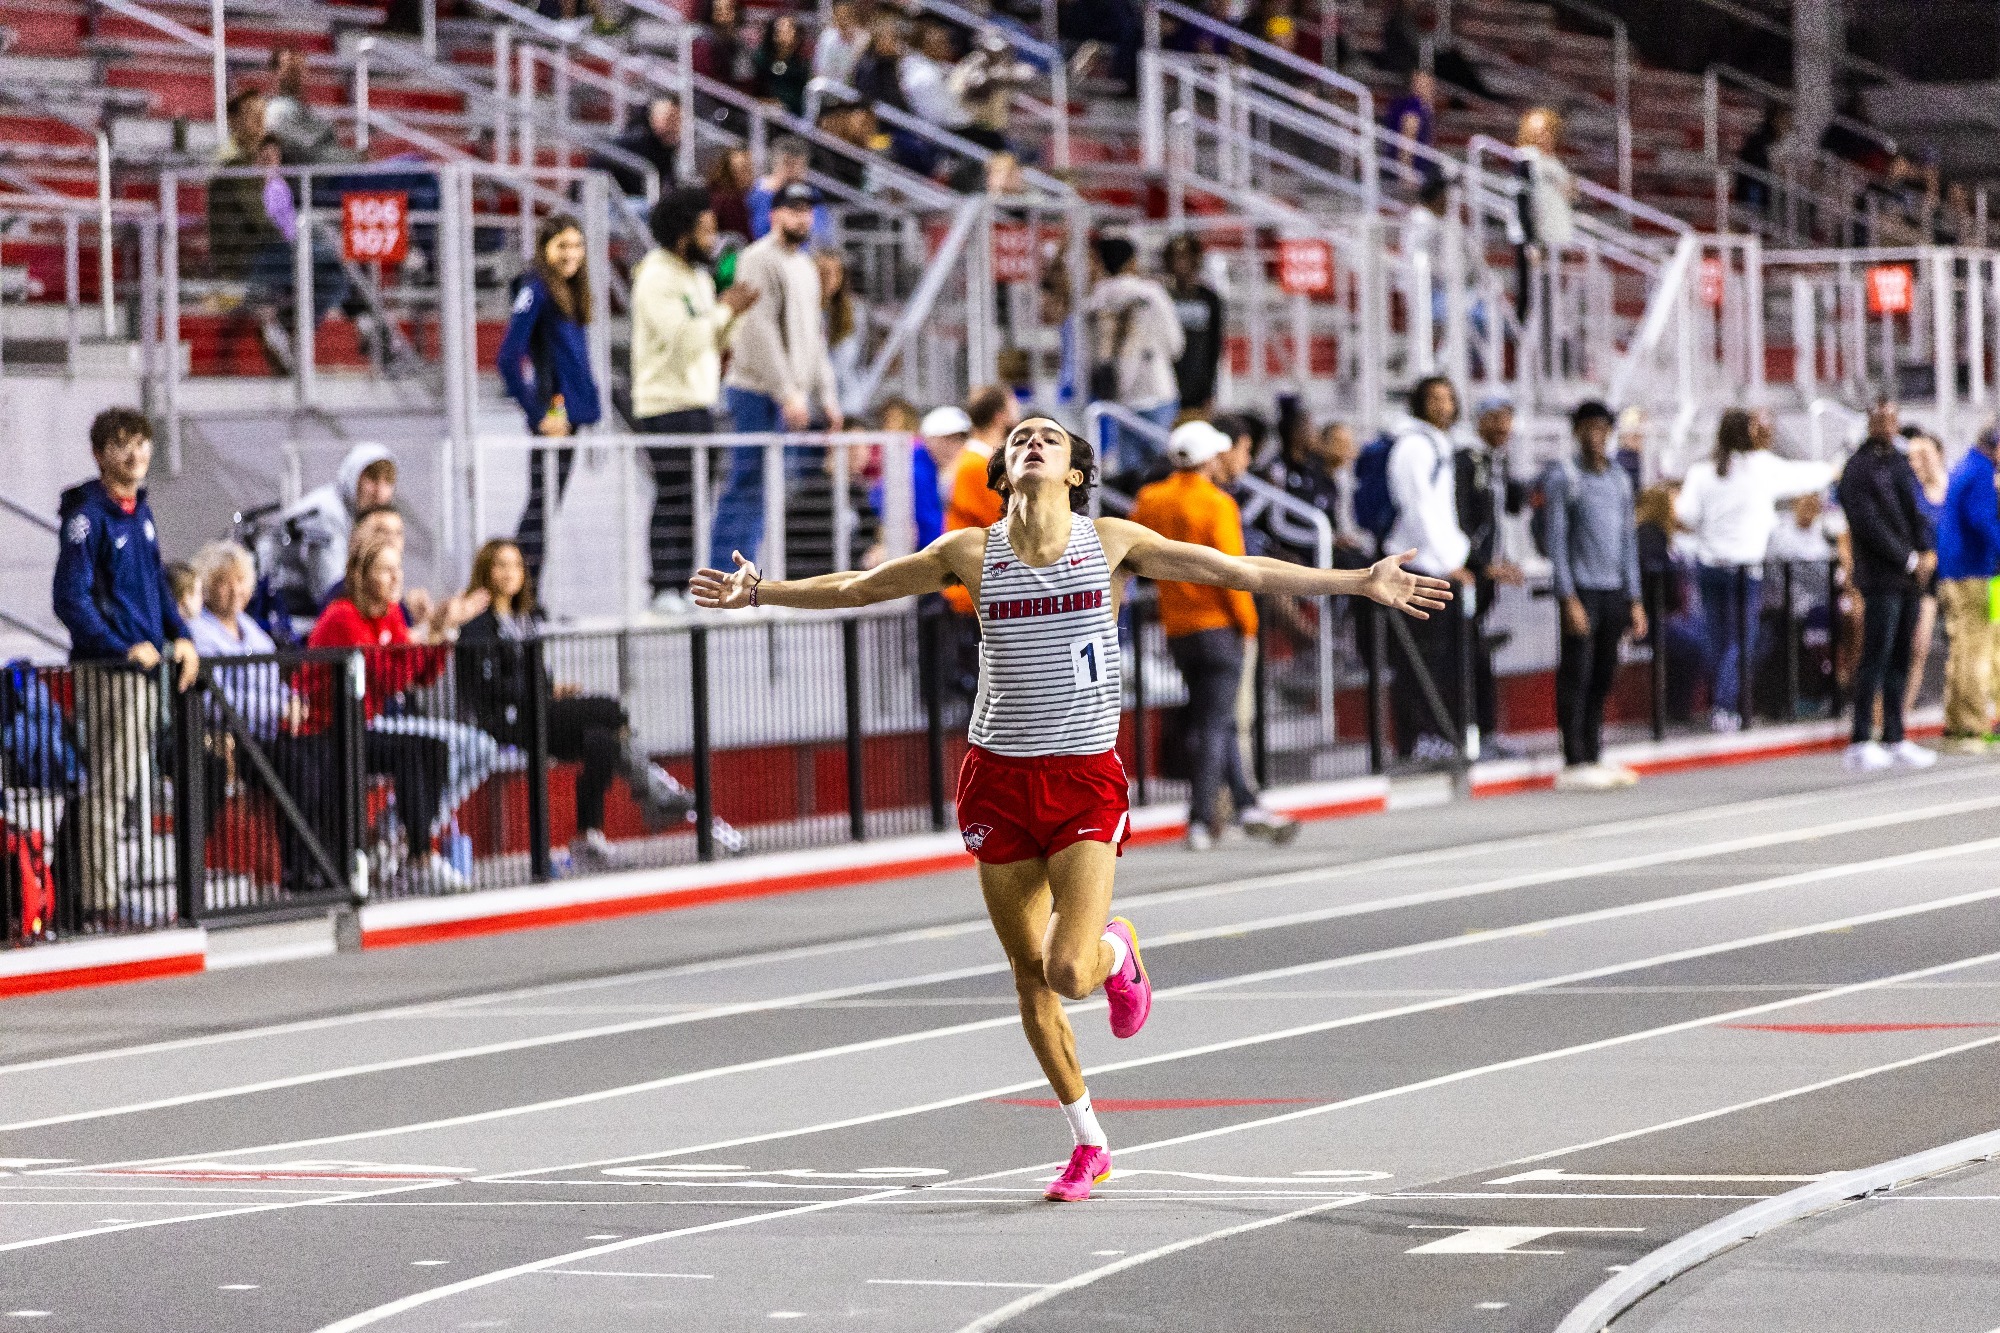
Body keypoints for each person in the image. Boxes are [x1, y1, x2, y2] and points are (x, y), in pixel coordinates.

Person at [689, 415, 1450, 1202]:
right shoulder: (969, 553)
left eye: (1046, 437)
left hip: (1084, 779)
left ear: (1076, 472)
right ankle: (1089, 1141)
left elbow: (1239, 572)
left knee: (1070, 969)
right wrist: (759, 593)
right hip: (997, 778)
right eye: (1018, 437)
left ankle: (1118, 953)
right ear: (1003, 467)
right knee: (1030, 977)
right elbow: (856, 588)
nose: (1029, 442)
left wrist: (1360, 581)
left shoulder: (1111, 541)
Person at [456, 539, 696, 870]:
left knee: (603, 741)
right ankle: (651, 794)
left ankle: (588, 839)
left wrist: (552, 689)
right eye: (500, 565)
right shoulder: (477, 625)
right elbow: (488, 685)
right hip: (507, 721)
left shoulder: (527, 618)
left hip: (538, 710)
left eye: (515, 565)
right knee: (608, 710)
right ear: (486, 571)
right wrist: (538, 691)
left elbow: (536, 677)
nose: (509, 573)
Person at [52, 408, 200, 928]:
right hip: (109, 671)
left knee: (128, 784)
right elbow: (70, 600)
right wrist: (120, 648)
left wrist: (183, 637)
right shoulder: (87, 516)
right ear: (99, 454)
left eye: (142, 443)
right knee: (112, 785)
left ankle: (105, 893)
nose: (135, 454)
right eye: (121, 445)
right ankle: (98, 902)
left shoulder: (140, 511)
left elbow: (157, 588)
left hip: (143, 669)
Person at [1133, 420, 1300, 850]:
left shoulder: (1150, 499)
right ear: (1210, 457)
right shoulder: (1216, 503)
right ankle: (1201, 819)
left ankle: (1245, 802)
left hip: (1178, 627)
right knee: (1214, 723)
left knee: (1215, 720)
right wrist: (1248, 625)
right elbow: (1234, 573)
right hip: (1219, 627)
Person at [307, 533, 487, 890]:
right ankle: (418, 856)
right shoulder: (343, 617)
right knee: (411, 751)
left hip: (364, 724)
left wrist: (443, 636)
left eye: (398, 569)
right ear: (362, 575)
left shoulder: (390, 614)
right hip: (326, 730)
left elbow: (420, 676)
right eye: (385, 570)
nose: (396, 578)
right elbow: (387, 678)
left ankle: (410, 846)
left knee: (434, 748)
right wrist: (426, 635)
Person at [630, 187, 760, 614]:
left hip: (700, 402)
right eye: (705, 231)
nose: (713, 239)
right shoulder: (655, 276)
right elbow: (685, 340)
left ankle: (683, 581)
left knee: (696, 495)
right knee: (675, 493)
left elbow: (713, 339)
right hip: (664, 405)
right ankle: (660, 585)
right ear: (683, 233)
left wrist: (733, 314)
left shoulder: (699, 278)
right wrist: (724, 310)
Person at [1674, 408, 1833, 732]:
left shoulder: (1701, 472)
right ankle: (1724, 705)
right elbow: (1805, 476)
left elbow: (1686, 516)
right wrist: (1834, 468)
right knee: (1742, 642)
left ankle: (1723, 703)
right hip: (1745, 569)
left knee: (1718, 641)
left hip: (1709, 567)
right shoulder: (1761, 468)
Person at [711, 182, 843, 569]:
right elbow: (758, 330)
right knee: (746, 486)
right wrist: (788, 393)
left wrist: (828, 397)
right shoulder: (756, 259)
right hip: (755, 391)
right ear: (774, 214)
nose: (802, 216)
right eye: (793, 208)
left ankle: (742, 575)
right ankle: (722, 575)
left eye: (807, 209)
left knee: (762, 491)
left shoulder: (804, 264)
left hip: (787, 395)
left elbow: (813, 338)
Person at [188, 540, 330, 895]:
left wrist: (292, 700)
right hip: (226, 738)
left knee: (314, 769)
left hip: (265, 735)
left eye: (241, 581)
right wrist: (274, 707)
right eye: (224, 581)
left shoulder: (254, 630)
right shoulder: (198, 632)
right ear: (208, 585)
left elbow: (272, 682)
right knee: (296, 775)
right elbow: (216, 699)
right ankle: (293, 872)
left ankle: (310, 867)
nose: (234, 590)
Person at [1543, 401, 1645, 790]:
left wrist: (1635, 599)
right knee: (1576, 673)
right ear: (1577, 433)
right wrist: (1567, 597)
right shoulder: (1565, 477)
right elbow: (1557, 542)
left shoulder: (1619, 479)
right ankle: (1574, 757)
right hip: (1582, 590)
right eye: (1588, 428)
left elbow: (1627, 543)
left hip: (1613, 589)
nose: (1595, 436)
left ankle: (1595, 752)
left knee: (1604, 674)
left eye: (1602, 429)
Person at [500, 213, 602, 587]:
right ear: (545, 248)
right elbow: (508, 359)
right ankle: (519, 596)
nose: (571, 254)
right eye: (562, 246)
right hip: (555, 416)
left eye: (577, 245)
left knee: (543, 510)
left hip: (569, 416)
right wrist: (539, 413)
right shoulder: (537, 290)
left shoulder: (569, 292)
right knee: (539, 511)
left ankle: (528, 597)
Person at [1836, 401, 1936, 770]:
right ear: (1870, 422)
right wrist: (1907, 557)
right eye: (1882, 420)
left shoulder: (1898, 463)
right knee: (1874, 656)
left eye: (1893, 420)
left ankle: (1895, 733)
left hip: (1908, 576)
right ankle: (1861, 736)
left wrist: (1925, 551)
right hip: (1881, 576)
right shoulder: (1858, 468)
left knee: (1900, 656)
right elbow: (1868, 524)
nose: (1888, 426)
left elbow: (1916, 510)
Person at [1387, 375, 1471, 761]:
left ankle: (1436, 733)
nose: (1442, 405)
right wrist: (1446, 560)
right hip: (1417, 566)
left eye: (1448, 397)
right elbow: (1418, 507)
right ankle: (1417, 737)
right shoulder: (1414, 448)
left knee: (1440, 658)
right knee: (1418, 661)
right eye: (1434, 398)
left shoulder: (1439, 445)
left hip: (1437, 565)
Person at [257, 442, 397, 621]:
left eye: (387, 482)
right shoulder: (326, 514)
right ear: (353, 476)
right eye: (372, 480)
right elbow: (330, 590)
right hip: (286, 613)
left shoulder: (351, 513)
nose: (380, 492)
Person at [1082, 235, 1182, 477]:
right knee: (1165, 469)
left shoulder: (1093, 302)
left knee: (1130, 475)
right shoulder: (1151, 294)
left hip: (1118, 397)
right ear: (1131, 261)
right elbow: (1176, 345)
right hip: (1156, 390)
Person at [1459, 392, 1525, 744]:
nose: (1504, 426)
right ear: (1480, 420)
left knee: (1479, 653)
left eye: (1508, 418)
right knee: (1469, 656)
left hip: (1485, 573)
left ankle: (1484, 732)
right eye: (1496, 418)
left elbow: (1502, 515)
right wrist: (1483, 565)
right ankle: (1475, 734)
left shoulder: (1496, 462)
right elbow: (1462, 519)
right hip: (1469, 575)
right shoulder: (1467, 461)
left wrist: (1503, 559)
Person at [1936, 426, 2000, 751]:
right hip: (1973, 570)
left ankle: (1957, 723)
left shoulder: (1964, 466)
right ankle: (1975, 727)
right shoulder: (1981, 471)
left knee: (1960, 648)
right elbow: (1982, 519)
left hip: (1952, 570)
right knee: (1978, 649)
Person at [1512, 107, 1574, 321]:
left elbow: (1568, 195)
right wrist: (1531, 241)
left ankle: (1548, 344)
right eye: (1537, 131)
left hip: (1555, 236)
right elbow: (1522, 200)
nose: (1543, 136)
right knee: (1529, 295)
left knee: (1551, 297)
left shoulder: (1556, 164)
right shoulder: (1526, 159)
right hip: (1535, 237)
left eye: (1547, 130)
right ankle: (1521, 344)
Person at [1902, 429, 1948, 720]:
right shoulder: (1909, 492)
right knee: (1916, 647)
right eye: (1914, 457)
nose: (1920, 462)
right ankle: (1900, 715)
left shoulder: (1950, 487)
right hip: (1922, 578)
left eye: (1926, 455)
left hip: (1956, 573)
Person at [886, 405, 969, 551]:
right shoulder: (917, 471)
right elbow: (929, 527)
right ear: (929, 439)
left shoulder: (927, 466)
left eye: (958, 440)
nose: (953, 447)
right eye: (946, 439)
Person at [1163, 234, 1223, 415]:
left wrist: (1210, 390)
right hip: (1168, 382)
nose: (1179, 264)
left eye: (1184, 257)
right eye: (1174, 257)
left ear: (1196, 260)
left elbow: (1215, 345)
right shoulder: (1163, 296)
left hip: (1198, 382)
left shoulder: (1209, 298)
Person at [263, 46, 354, 166]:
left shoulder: (301, 109)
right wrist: (354, 158)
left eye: (301, 69)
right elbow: (304, 151)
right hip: (304, 177)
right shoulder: (275, 109)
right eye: (291, 69)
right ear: (274, 72)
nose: (297, 75)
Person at [744, 137, 833, 245]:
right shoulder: (758, 192)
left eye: (798, 166)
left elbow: (819, 232)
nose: (793, 171)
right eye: (788, 164)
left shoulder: (811, 194)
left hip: (801, 255)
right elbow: (755, 230)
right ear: (776, 164)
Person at [593, 98, 681, 206]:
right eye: (670, 118)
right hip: (610, 201)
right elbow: (636, 187)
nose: (676, 126)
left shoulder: (666, 149)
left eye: (678, 120)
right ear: (654, 118)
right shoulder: (635, 142)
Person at [1383, 69, 1438, 185]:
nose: (1431, 88)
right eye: (1426, 84)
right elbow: (1407, 136)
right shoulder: (1413, 106)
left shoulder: (1424, 108)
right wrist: (1405, 170)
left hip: (1416, 163)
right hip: (1409, 166)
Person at [753, 15, 811, 116]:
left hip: (791, 116)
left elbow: (801, 97)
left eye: (787, 28)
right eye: (778, 28)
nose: (781, 31)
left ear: (797, 36)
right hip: (761, 112)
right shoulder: (762, 57)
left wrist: (782, 103)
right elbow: (754, 87)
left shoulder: (801, 64)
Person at [813, 0, 870, 90]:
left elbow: (855, 68)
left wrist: (852, 42)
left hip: (850, 88)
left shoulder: (862, 38)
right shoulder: (826, 36)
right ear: (834, 16)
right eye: (839, 15)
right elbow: (819, 67)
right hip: (827, 85)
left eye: (846, 15)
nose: (843, 19)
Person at [707, 146, 754, 239]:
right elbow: (741, 239)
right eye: (744, 169)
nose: (750, 174)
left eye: (750, 167)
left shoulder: (717, 194)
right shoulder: (730, 202)